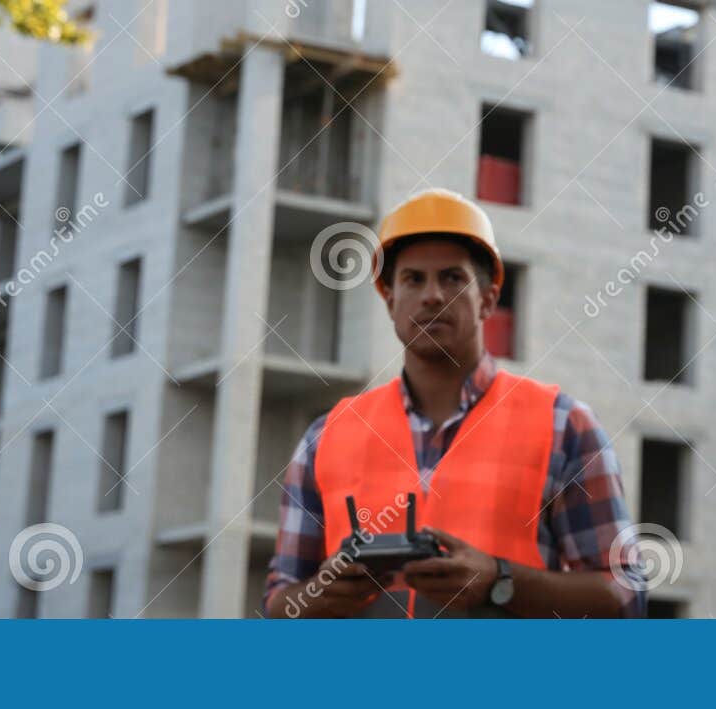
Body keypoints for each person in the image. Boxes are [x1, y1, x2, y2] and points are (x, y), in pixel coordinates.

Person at [265, 188, 645, 618]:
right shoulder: (326, 437)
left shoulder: (563, 425)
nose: (431, 295)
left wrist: (500, 580)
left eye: (452, 278)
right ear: (389, 300)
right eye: (413, 279)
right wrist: (324, 592)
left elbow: (624, 597)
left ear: (488, 299)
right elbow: (278, 606)